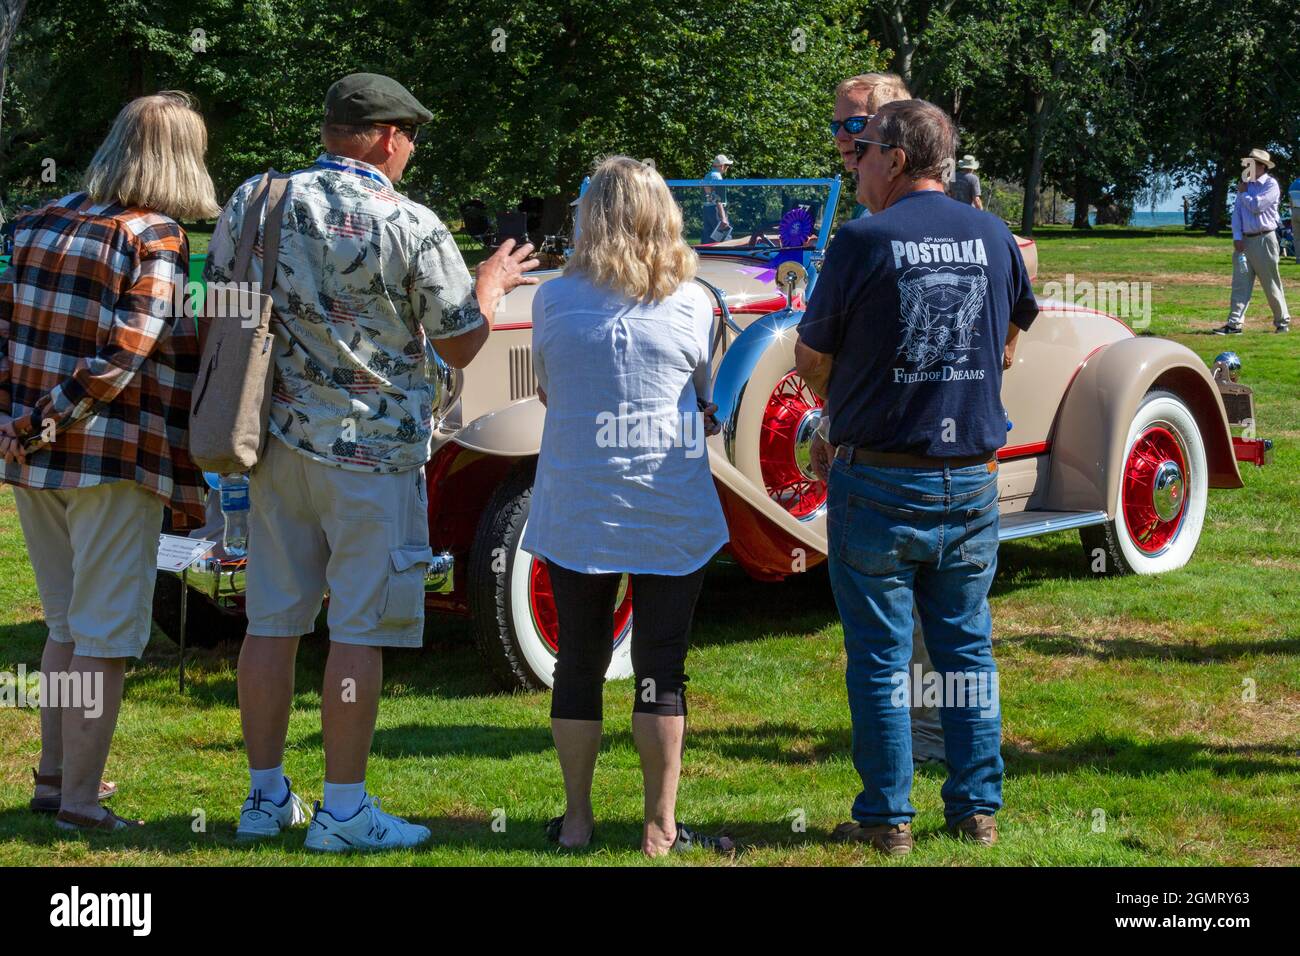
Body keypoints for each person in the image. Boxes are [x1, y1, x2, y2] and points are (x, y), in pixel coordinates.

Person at [205, 73, 538, 851]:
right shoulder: (410, 221)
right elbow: (462, 344)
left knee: (272, 622)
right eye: (411, 137)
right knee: (359, 628)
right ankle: (344, 811)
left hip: (270, 439)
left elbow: (219, 304)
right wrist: (488, 286)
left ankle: (263, 800)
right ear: (388, 136)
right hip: (373, 453)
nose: (412, 150)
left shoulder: (255, 199)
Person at [795, 99, 1038, 854]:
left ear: (897, 158)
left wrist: (845, 401)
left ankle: (886, 820)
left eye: (863, 150)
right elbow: (1009, 338)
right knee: (965, 648)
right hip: (968, 476)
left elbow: (809, 360)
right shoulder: (994, 234)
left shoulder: (862, 241)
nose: (856, 162)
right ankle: (975, 810)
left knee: (878, 654)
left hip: (878, 477)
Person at [0, 92, 219, 832]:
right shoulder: (155, 235)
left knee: (66, 628)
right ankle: (82, 806)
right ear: (181, 157)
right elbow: (128, 351)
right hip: (111, 460)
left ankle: (55, 783)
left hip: (32, 463)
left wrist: (17, 426)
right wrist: (40, 421)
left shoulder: (33, 221)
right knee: (103, 638)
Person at [522, 155, 734, 857]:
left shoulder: (551, 300)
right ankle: (659, 824)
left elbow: (551, 389)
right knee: (660, 667)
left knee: (578, 662)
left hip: (579, 502)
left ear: (589, 218)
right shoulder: (695, 301)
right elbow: (708, 396)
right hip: (667, 503)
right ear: (663, 216)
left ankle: (577, 820)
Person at [829, 70, 946, 766]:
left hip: (916, 443)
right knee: (898, 618)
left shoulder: (921, 211)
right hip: (874, 440)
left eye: (853, 127)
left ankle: (924, 747)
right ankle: (916, 750)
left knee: (925, 617)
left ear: (890, 129)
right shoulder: (864, 216)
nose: (842, 141)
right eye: (837, 126)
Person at [1215, 148, 1291, 334]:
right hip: (1245, 242)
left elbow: (1257, 206)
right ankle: (1234, 324)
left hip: (1265, 239)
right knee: (1240, 284)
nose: (1249, 166)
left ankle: (1282, 322)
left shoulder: (1270, 185)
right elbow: (1237, 214)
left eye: (1253, 163)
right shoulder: (1244, 185)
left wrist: (1243, 193)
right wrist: (1237, 238)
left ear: (1262, 166)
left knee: (1270, 283)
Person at [829, 72, 910, 220]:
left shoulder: (895, 212)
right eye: (835, 127)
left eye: (854, 124)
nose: (839, 137)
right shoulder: (868, 203)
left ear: (892, 125)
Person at [700, 153, 732, 243]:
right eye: (727, 166)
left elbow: (708, 196)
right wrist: (723, 218)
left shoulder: (708, 175)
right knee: (725, 239)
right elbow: (718, 199)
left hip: (707, 209)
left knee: (708, 239)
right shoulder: (717, 177)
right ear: (722, 166)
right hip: (716, 210)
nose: (727, 168)